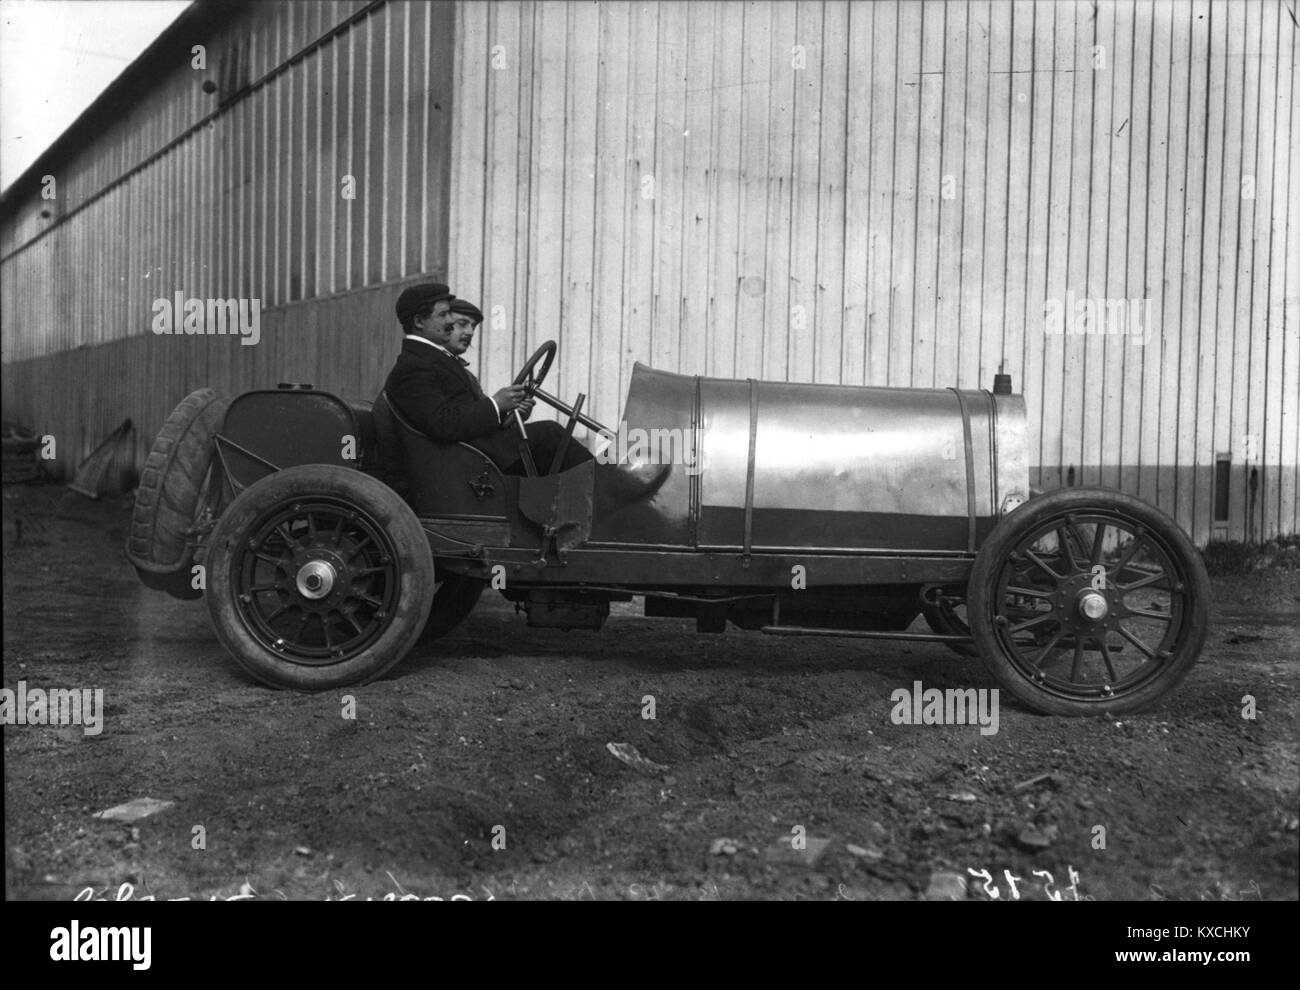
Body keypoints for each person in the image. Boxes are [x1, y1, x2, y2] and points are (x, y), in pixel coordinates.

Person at [383, 282, 592, 476]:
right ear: (419, 321)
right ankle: (614, 492)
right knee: (550, 434)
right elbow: (443, 423)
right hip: (466, 462)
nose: (450, 321)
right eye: (444, 315)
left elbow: (459, 413)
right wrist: (495, 404)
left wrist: (504, 413)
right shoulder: (414, 366)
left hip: (474, 453)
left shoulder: (432, 360)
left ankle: (606, 494)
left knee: (551, 440)